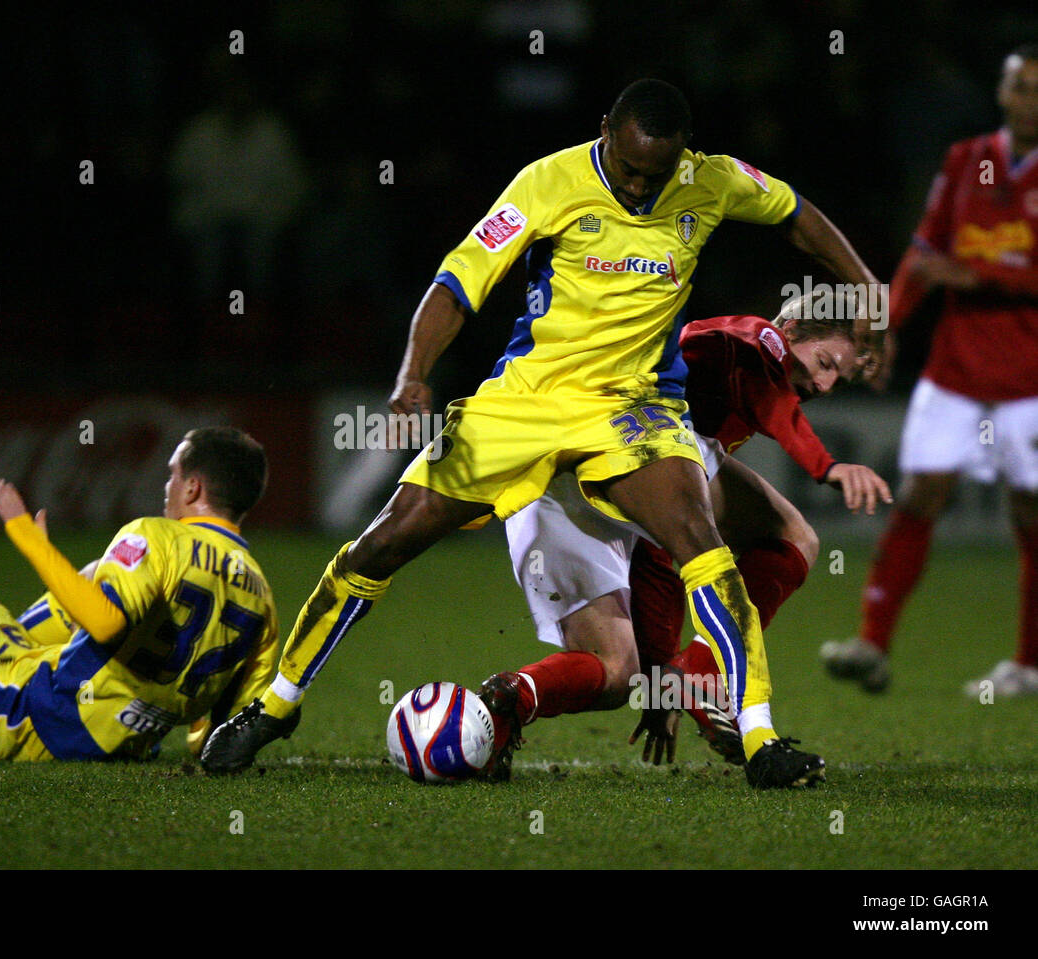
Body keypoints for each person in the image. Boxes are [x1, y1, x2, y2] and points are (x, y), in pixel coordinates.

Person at [203, 79, 883, 788]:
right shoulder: (547, 181)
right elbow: (456, 284)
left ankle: (760, 735)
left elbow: (797, 215)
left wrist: (865, 287)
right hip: (525, 402)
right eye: (627, 169)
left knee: (699, 540)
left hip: (634, 407)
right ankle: (275, 704)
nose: (640, 186)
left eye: (656, 174)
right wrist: (412, 377)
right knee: (389, 535)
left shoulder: (710, 181)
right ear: (604, 132)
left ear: (681, 156)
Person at [487, 300, 890, 782]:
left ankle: (509, 698)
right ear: (792, 328)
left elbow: (662, 553)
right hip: (620, 444)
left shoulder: (710, 413)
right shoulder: (752, 338)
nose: (823, 386)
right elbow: (770, 394)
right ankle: (717, 687)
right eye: (824, 363)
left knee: (615, 673)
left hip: (557, 492)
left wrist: (663, 677)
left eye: (839, 381)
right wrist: (826, 465)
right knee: (794, 537)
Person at [0, 427, 286, 761]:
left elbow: (105, 623)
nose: (165, 486)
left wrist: (27, 536)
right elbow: (224, 729)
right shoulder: (261, 593)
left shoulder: (158, 536)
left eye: (172, 475)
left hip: (45, 722)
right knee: (91, 575)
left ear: (193, 487)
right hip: (131, 743)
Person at [821, 45, 1038, 696]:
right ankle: (872, 642)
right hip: (954, 370)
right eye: (1021, 86)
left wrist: (981, 274)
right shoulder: (967, 160)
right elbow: (922, 254)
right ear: (1002, 93)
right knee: (918, 495)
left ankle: (1027, 665)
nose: (1030, 98)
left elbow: (955, 264)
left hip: (1029, 378)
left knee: (1029, 513)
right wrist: (886, 328)